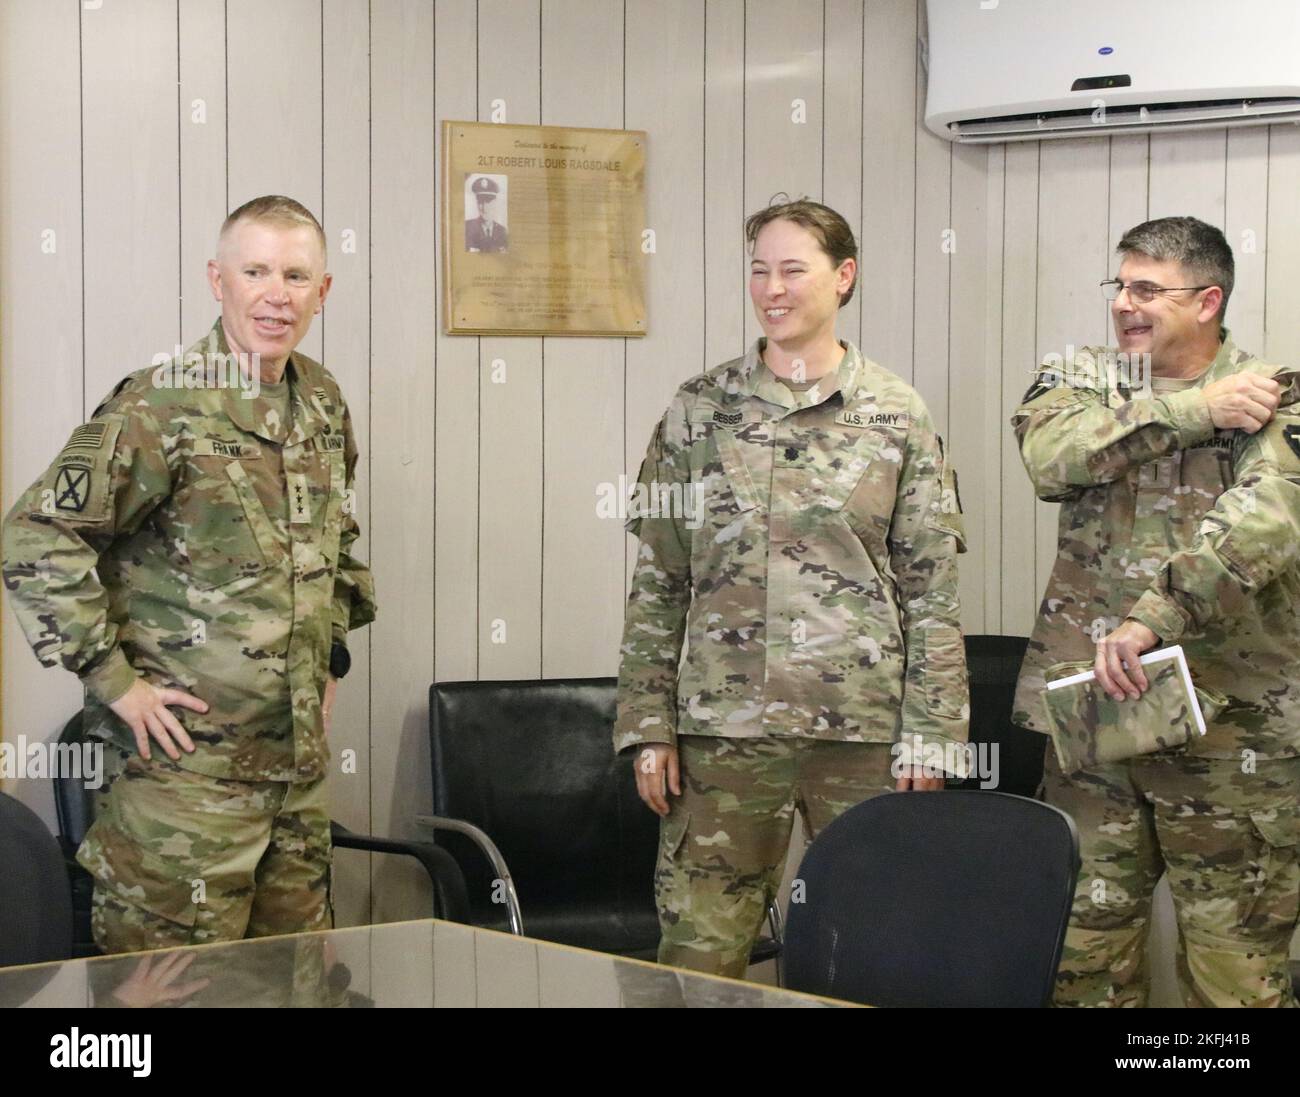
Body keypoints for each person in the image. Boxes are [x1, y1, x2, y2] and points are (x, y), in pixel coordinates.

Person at [1, 195, 376, 954]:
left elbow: (337, 540)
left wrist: (331, 650)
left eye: (297, 274)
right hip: (183, 793)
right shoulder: (160, 404)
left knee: (299, 988)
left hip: (295, 788)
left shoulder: (323, 402)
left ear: (323, 291)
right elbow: (36, 535)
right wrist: (113, 679)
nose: (278, 293)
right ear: (218, 279)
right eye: (257, 271)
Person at [613, 198, 970, 978]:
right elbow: (659, 582)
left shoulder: (895, 414)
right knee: (697, 955)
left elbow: (933, 592)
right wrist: (647, 722)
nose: (772, 288)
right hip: (723, 734)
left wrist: (933, 732)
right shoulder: (698, 410)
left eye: (792, 270)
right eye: (758, 270)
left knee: (879, 950)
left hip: (864, 735)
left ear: (843, 277)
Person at [1011, 215, 1300, 1007]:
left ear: (1208, 299)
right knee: (1082, 961)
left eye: (1147, 289)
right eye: (1120, 286)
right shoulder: (1078, 380)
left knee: (1238, 969)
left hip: (1233, 728)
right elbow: (1051, 458)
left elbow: (1263, 527)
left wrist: (1155, 616)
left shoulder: (1280, 396)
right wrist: (1197, 411)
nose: (1124, 305)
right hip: (1096, 721)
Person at [465, 176, 508, 252]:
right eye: (480, 202)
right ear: (477, 203)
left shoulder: (502, 232)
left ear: (495, 203)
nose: (484, 208)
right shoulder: (467, 228)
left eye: (488, 202)